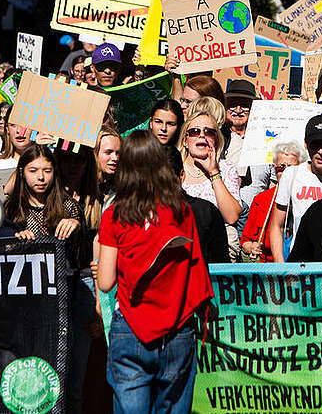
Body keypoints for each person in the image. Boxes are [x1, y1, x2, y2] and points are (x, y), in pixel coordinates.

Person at [97, 131, 213, 414]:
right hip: (178, 330)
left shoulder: (114, 215)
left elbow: (105, 281)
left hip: (131, 329)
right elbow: (197, 269)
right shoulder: (182, 211)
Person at [269, 114, 322, 262]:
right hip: (300, 261)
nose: (321, 151)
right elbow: (277, 225)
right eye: (315, 144)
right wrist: (280, 266)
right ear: (306, 144)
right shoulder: (292, 174)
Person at [240, 141, 305, 262]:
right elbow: (245, 241)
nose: (286, 172)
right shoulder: (262, 200)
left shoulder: (308, 198)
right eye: (281, 167)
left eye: (291, 168)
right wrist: (251, 247)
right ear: (274, 169)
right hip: (269, 267)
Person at [178, 109, 241, 225]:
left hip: (217, 239)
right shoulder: (174, 168)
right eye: (194, 131)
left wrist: (213, 172)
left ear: (216, 140)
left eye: (209, 132)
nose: (202, 135)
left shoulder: (226, 168)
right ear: (184, 141)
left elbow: (232, 217)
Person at [220, 79, 255, 166]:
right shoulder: (218, 135)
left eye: (244, 105)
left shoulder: (260, 137)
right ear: (225, 106)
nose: (238, 110)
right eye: (233, 104)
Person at [149, 99, 184, 175]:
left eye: (170, 124)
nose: (164, 128)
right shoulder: (138, 150)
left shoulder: (184, 155)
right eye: (158, 122)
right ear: (151, 122)